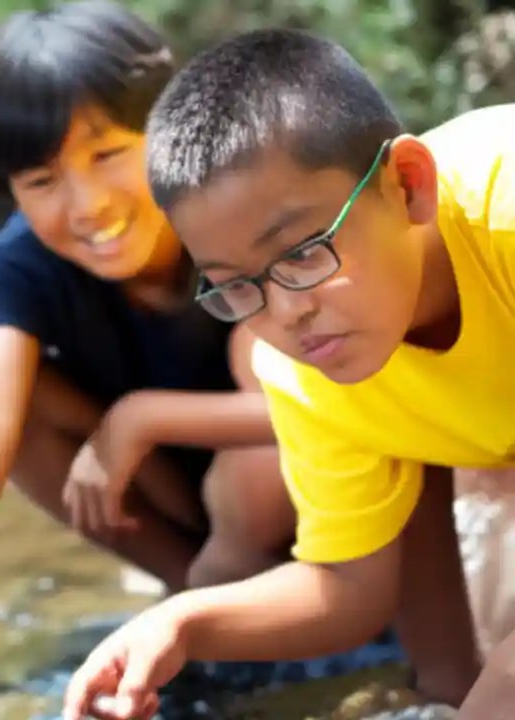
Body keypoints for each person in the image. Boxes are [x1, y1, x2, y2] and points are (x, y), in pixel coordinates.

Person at [62, 28, 507, 720]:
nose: (288, 312)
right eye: (237, 286)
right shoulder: (306, 369)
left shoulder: (504, 215)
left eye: (303, 252)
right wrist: (179, 624)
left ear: (408, 185)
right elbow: (347, 583)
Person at [0, 1, 295, 685]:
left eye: (107, 154)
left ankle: (252, 590)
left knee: (253, 464)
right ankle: (189, 590)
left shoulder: (235, 211)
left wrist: (141, 416)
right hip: (181, 505)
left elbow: (315, 406)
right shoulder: (23, 265)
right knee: (19, 401)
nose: (89, 203)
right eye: (42, 180)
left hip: (296, 482)